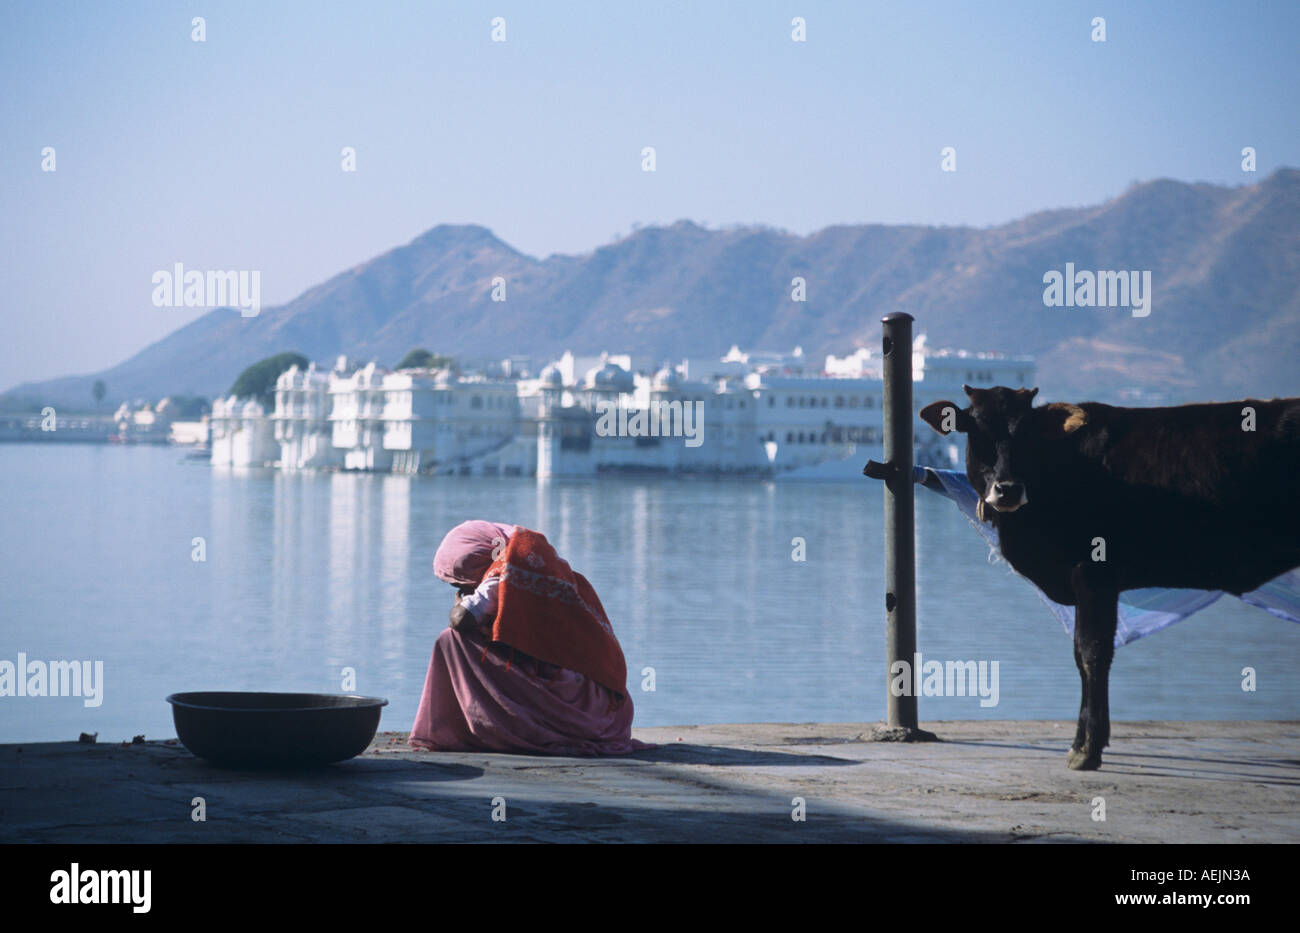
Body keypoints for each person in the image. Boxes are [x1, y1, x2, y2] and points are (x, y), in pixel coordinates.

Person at [409, 519, 651, 756]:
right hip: (601, 707)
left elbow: (461, 620)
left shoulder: (504, 574)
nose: (465, 588)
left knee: (451, 640)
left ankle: (497, 728)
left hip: (575, 706)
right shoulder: (545, 564)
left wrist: (460, 603)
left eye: (460, 583)